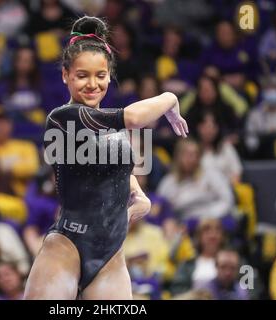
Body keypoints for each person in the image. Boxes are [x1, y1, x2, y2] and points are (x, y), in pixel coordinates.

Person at [23, 16, 188, 300]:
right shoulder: (62, 118)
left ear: (109, 75)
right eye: (82, 75)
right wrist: (170, 97)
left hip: (111, 254)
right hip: (67, 246)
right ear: (65, 75)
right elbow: (135, 117)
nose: (92, 84)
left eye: (100, 75)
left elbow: (119, 170)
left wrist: (138, 195)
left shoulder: (110, 129)